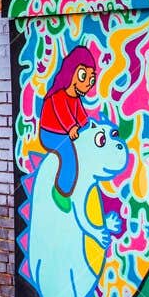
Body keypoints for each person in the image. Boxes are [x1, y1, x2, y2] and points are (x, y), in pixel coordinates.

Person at [39, 46, 98, 210]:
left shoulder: (75, 98)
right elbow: (62, 114)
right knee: (69, 156)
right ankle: (61, 191)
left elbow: (83, 118)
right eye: (83, 76)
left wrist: (87, 126)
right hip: (50, 134)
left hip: (66, 133)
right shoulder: (58, 96)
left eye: (91, 79)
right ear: (71, 73)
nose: (87, 83)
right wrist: (72, 128)